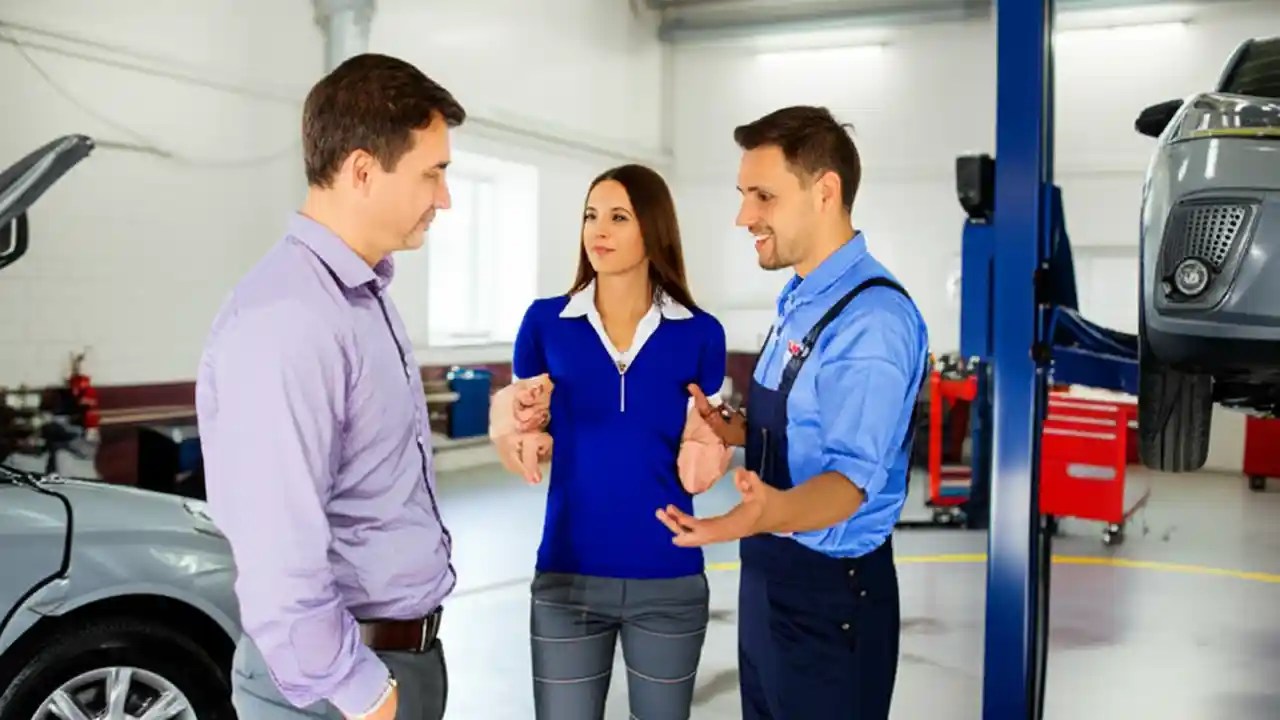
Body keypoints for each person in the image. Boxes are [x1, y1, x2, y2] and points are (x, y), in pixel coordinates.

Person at [195, 53, 465, 720]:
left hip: (396, 659)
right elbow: (274, 544)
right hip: (332, 688)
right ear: (363, 171)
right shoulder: (289, 316)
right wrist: (361, 692)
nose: (444, 198)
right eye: (433, 173)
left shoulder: (360, 295)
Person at [656, 106, 930, 719]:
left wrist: (756, 515)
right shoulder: (800, 299)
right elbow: (800, 429)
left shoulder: (873, 319)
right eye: (743, 195)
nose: (743, 216)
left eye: (763, 196)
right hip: (772, 577)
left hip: (830, 599)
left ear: (824, 191)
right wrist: (737, 432)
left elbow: (848, 484)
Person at [487, 164, 730, 720]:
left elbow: (707, 442)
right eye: (591, 216)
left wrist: (712, 449)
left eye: (618, 217)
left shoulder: (700, 333)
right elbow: (523, 417)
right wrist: (518, 426)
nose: (599, 229)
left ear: (654, 229)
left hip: (668, 580)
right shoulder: (545, 322)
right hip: (567, 577)